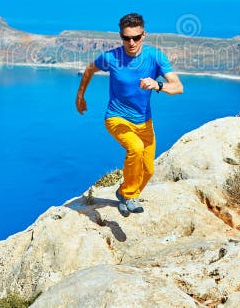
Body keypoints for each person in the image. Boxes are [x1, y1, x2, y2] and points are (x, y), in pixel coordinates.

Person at [76, 13, 184, 216]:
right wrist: (80, 96)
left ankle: (124, 195)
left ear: (144, 35)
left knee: (149, 170)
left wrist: (157, 84)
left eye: (136, 37)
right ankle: (129, 193)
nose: (131, 42)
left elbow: (178, 87)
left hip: (144, 122)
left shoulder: (155, 56)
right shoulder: (112, 58)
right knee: (135, 147)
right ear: (121, 37)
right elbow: (90, 69)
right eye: (127, 38)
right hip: (116, 118)